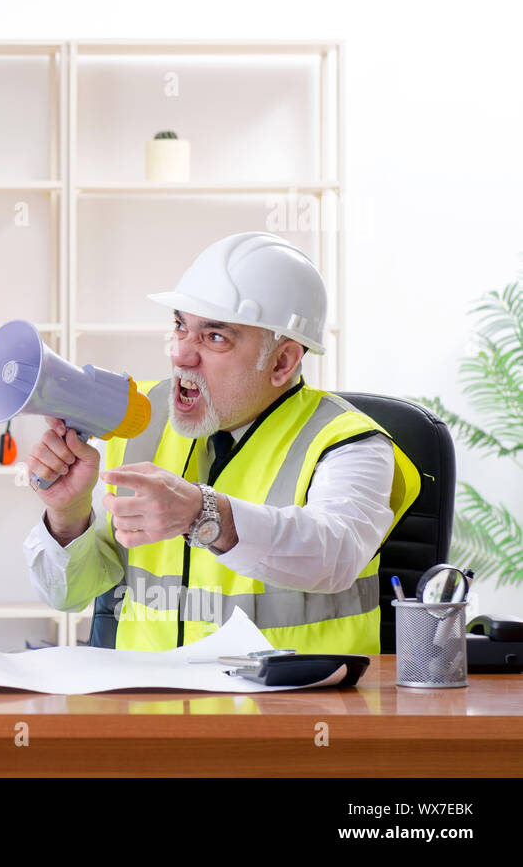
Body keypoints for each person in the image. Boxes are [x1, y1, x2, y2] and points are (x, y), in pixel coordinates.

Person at [21, 231, 420, 654]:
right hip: (146, 709)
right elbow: (67, 597)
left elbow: (335, 555)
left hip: (293, 711)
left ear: (283, 361)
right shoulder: (136, 422)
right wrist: (66, 517)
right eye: (180, 326)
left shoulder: (347, 442)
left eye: (214, 337)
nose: (180, 355)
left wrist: (202, 514)